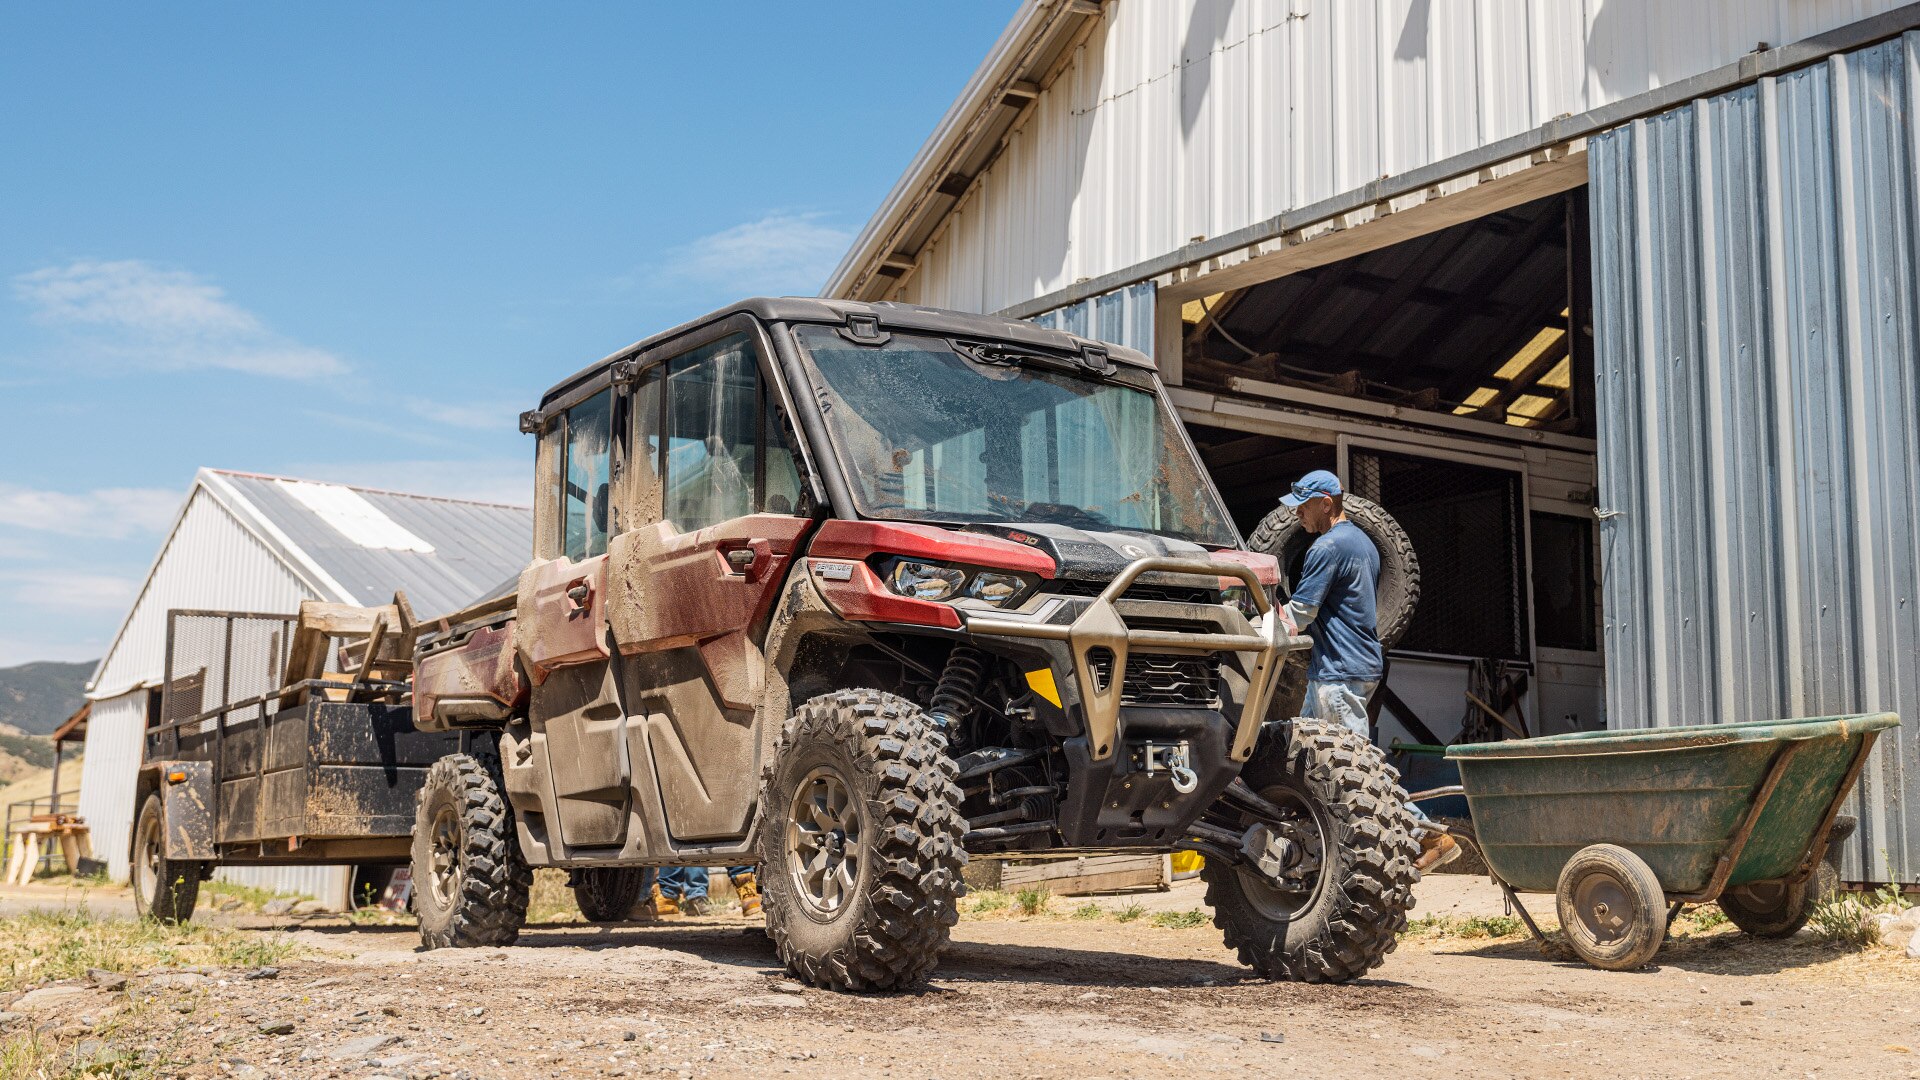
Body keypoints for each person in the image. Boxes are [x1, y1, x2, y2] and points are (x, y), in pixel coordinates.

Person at [1275, 469, 1459, 873]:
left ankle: (1427, 836)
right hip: (1350, 666)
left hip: (1338, 672)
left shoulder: (1327, 547)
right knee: (1307, 759)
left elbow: (1302, 612)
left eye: (1303, 507)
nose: (1298, 516)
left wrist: (1256, 625)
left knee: (1361, 775)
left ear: (1326, 504)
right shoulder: (1363, 543)